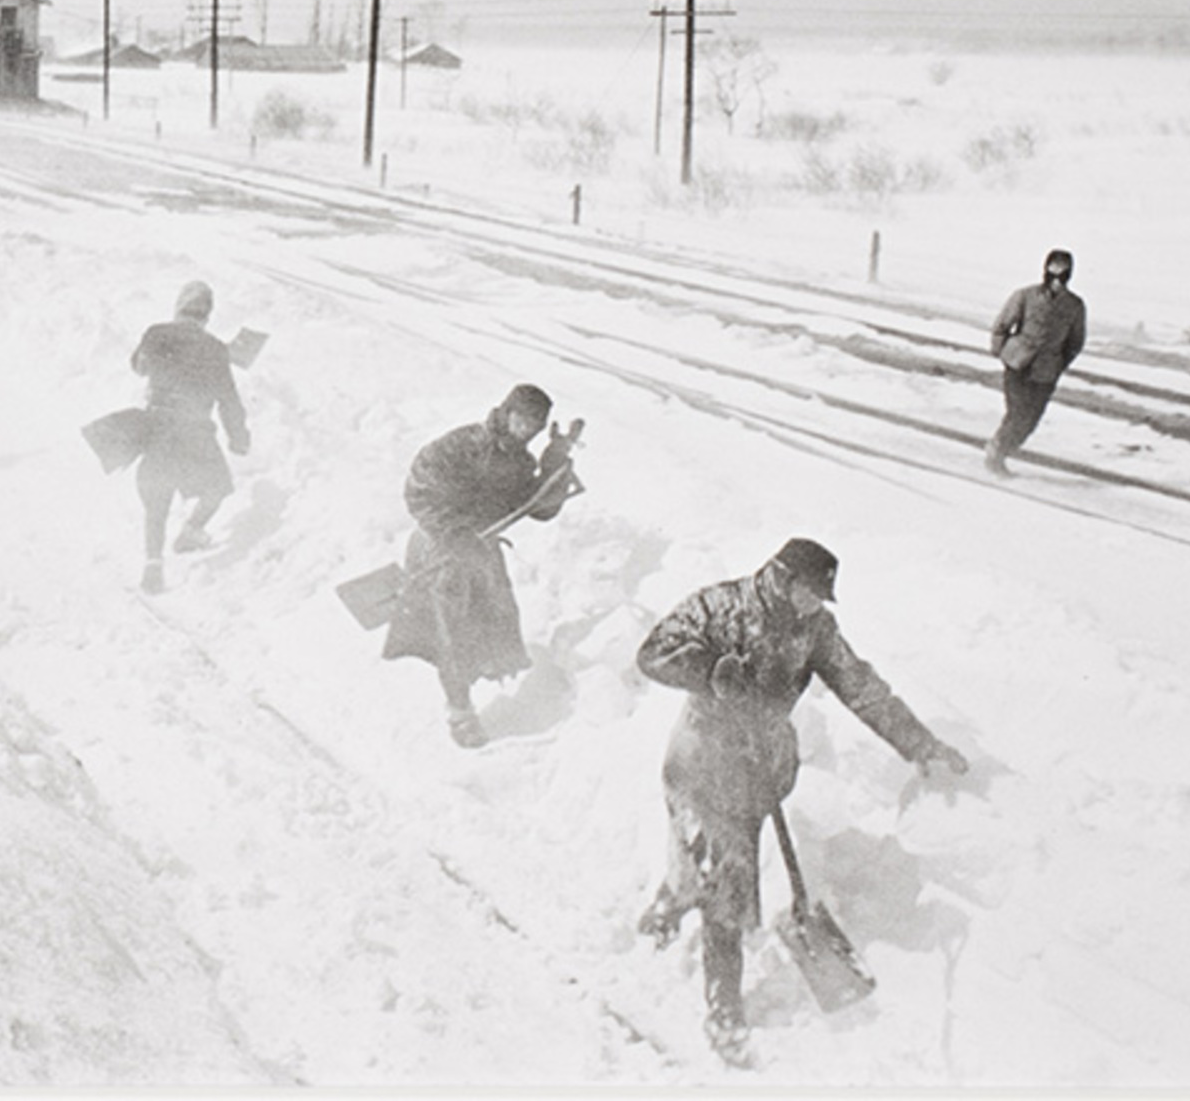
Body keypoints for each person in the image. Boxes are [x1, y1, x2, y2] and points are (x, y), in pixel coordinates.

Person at [635, 537, 969, 1064]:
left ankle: (671, 899)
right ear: (781, 576)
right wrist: (712, 670)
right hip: (702, 760)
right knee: (729, 881)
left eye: (820, 598)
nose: (814, 606)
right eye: (810, 593)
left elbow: (859, 685)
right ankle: (723, 1009)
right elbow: (652, 652)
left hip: (759, 767)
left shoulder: (814, 629)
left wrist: (919, 743)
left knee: (712, 864)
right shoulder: (719, 605)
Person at [381, 383, 580, 747]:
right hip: (439, 547)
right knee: (452, 632)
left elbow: (537, 509)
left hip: (480, 550)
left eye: (534, 424)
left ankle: (473, 695)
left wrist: (555, 461)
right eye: (521, 418)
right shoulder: (461, 445)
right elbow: (418, 490)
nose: (526, 428)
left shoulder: (521, 462)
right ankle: (460, 714)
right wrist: (453, 532)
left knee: (491, 624)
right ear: (506, 412)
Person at [128, 280, 249, 595]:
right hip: (195, 431)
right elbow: (228, 399)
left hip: (158, 426)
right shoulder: (215, 349)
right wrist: (239, 437)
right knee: (219, 487)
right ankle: (192, 531)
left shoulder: (157, 334)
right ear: (207, 315)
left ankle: (153, 565)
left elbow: (138, 367)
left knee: (157, 496)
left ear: (178, 308)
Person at [986, 247, 1086, 475]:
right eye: (1054, 271)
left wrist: (1059, 364)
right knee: (1017, 413)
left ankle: (1001, 450)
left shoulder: (1075, 306)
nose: (1058, 279)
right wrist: (1002, 352)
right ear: (1046, 270)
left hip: (1046, 372)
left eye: (1063, 272)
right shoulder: (1025, 295)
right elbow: (1002, 325)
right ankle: (996, 454)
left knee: (1031, 420)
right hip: (1018, 364)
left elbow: (1075, 342)